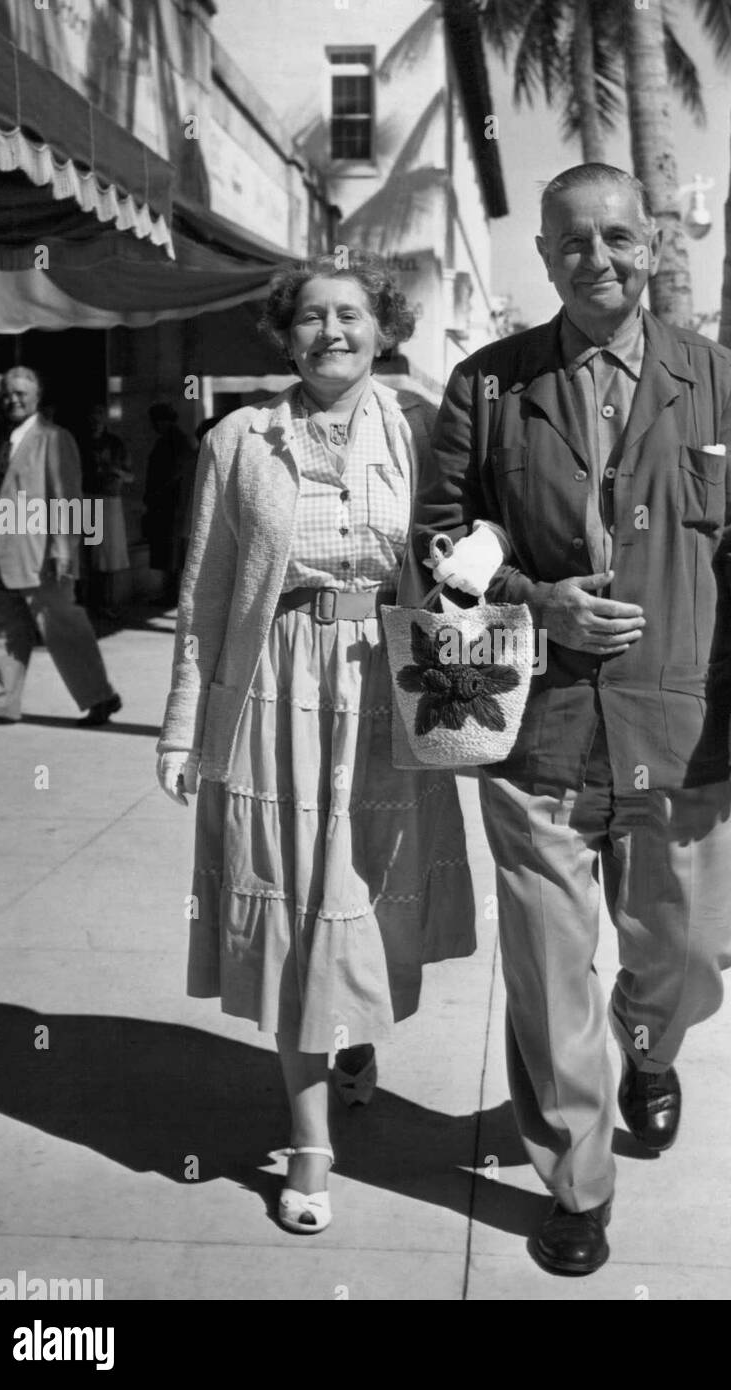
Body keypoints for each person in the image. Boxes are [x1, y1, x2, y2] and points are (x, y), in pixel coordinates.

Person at [411, 163, 731, 1275]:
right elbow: (441, 543)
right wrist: (535, 601)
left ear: (655, 245)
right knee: (547, 972)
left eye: (620, 238)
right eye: (574, 243)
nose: (599, 259)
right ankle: (577, 1180)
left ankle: (650, 1046)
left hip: (682, 726)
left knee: (687, 949)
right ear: (543, 257)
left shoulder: (722, 383)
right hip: (537, 732)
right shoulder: (486, 386)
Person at [156, 252, 475, 1234]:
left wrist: (474, 577)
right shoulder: (240, 438)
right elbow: (206, 591)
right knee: (300, 913)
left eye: (350, 315)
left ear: (383, 327)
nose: (330, 332)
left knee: (369, 897)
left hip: (391, 684)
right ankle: (310, 1148)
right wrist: (182, 726)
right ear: (284, 334)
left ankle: (352, 1036)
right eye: (309, 318)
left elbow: (482, 541)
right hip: (274, 689)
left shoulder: (424, 426)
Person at [0, 368, 122, 728]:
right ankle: (1, 704)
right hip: (2, 553)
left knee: (64, 630)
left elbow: (68, 494)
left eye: (21, 393)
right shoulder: (4, 440)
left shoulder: (54, 437)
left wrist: (64, 550)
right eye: (8, 392)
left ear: (37, 397)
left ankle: (101, 697)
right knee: (4, 630)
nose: (13, 399)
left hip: (43, 557)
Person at [80, 404, 134, 621]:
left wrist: (116, 471)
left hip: (109, 501)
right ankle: (89, 602)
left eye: (98, 418)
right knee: (89, 554)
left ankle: (104, 602)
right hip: (86, 498)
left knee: (107, 556)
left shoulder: (115, 444)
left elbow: (131, 476)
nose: (95, 422)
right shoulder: (80, 443)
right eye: (91, 418)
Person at [142, 403, 196, 605]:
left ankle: (171, 594)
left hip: (170, 504)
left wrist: (155, 494)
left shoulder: (173, 442)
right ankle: (171, 593)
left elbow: (171, 473)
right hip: (172, 503)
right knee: (171, 552)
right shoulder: (177, 441)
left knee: (171, 552)